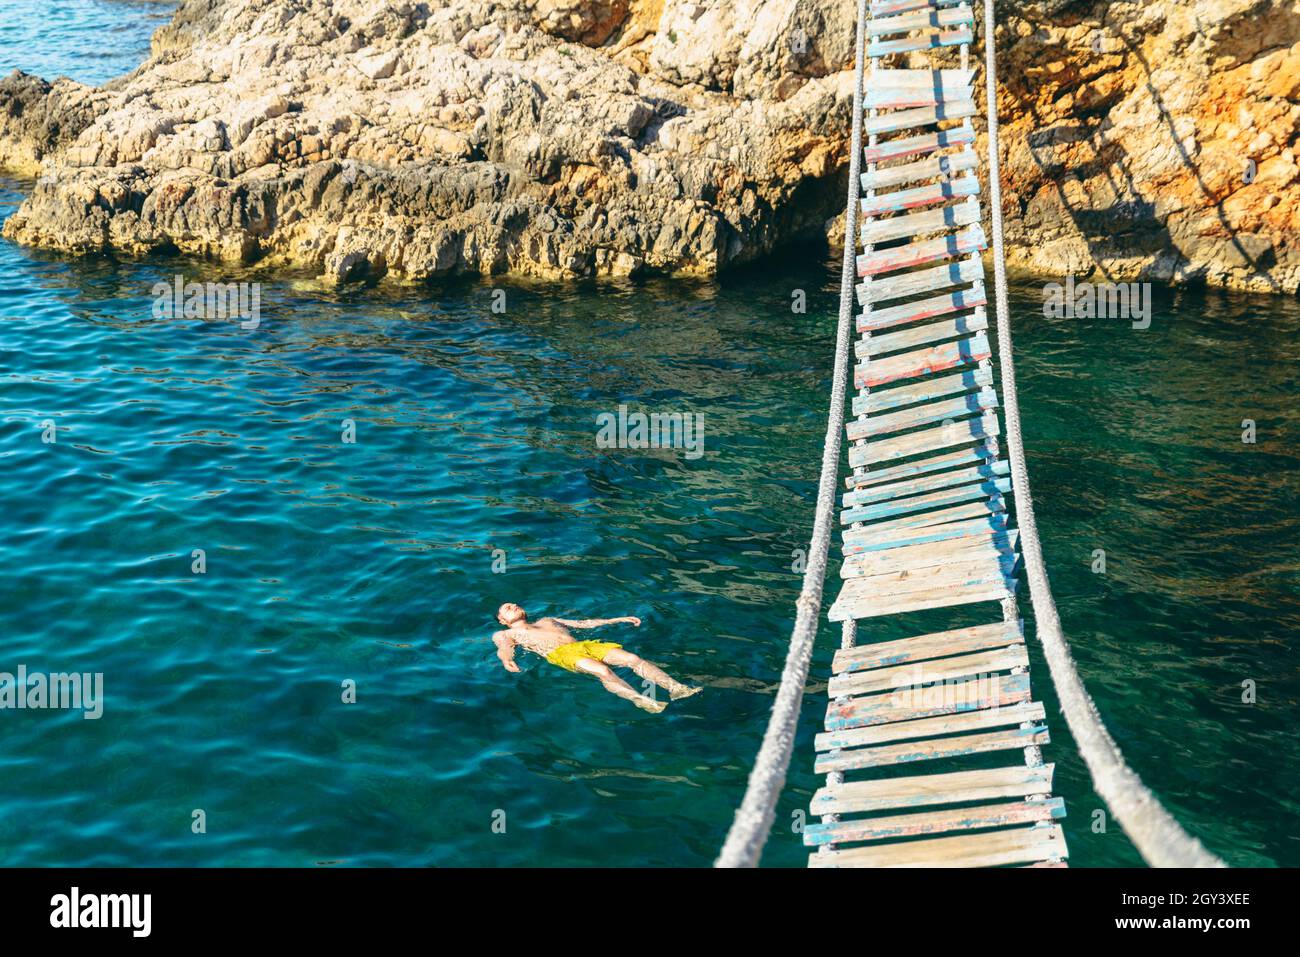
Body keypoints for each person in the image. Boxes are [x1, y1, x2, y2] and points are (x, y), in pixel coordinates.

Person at [492, 603, 701, 713]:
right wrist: (506, 660)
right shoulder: (506, 633)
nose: (514, 606)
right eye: (507, 608)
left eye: (515, 604)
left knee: (633, 659)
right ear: (502, 620)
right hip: (560, 654)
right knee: (603, 671)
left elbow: (583, 624)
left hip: (585, 645)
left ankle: (677, 689)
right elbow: (504, 647)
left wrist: (615, 619)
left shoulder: (548, 619)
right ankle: (642, 700)